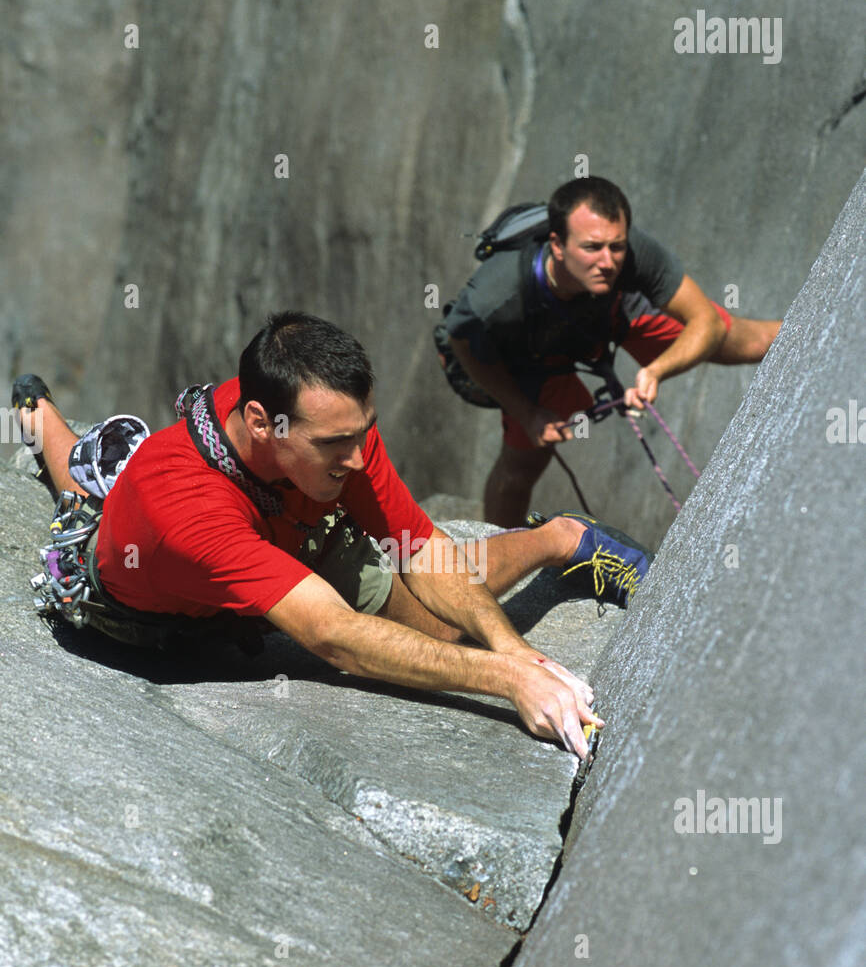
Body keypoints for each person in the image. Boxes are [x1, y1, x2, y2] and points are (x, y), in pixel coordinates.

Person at [11, 312, 658, 760]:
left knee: (443, 633)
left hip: (292, 520)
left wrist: (514, 651)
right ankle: (37, 416)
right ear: (261, 422)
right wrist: (510, 682)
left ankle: (561, 539)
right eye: (336, 445)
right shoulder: (184, 510)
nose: (358, 456)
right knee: (81, 490)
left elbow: (421, 547)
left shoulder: (327, 423)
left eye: (362, 433)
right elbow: (335, 636)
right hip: (142, 598)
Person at [444, 176, 782, 526]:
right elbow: (462, 344)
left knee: (743, 340)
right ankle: (497, 556)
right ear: (557, 245)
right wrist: (526, 412)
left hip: (612, 313)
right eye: (591, 247)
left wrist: (656, 370)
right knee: (521, 466)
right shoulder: (497, 293)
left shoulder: (632, 252)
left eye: (616, 246)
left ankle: (822, 334)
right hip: (533, 353)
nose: (607, 261)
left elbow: (706, 322)